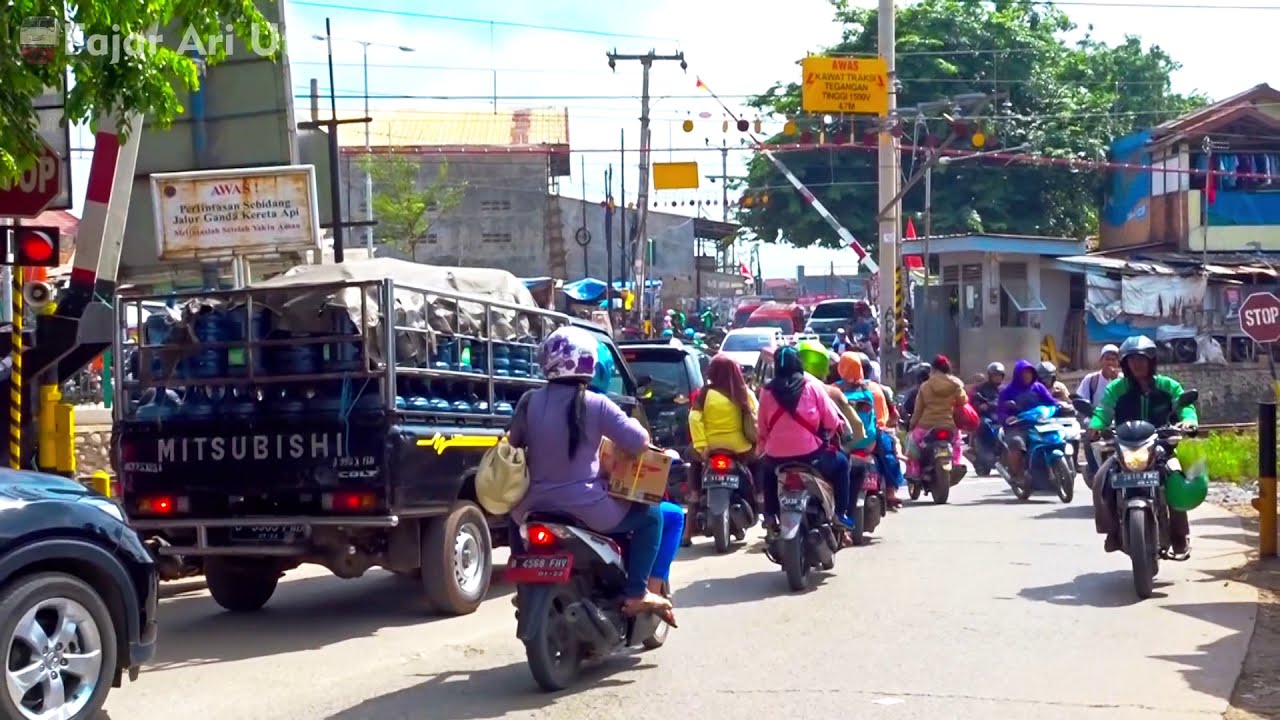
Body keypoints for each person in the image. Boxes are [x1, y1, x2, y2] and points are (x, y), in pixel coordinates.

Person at [508, 326, 674, 622]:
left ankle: (524, 586)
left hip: (531, 507)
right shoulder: (596, 403)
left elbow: (513, 443)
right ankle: (636, 592)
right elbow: (638, 441)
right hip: (587, 508)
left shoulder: (529, 401)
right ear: (588, 362)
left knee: (511, 517)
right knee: (652, 517)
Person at [1087, 335, 1199, 559]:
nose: (1137, 364)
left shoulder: (1168, 385)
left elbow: (1183, 404)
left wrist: (1188, 421)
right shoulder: (1117, 388)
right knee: (1101, 479)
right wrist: (1096, 426)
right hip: (1125, 448)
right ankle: (1113, 532)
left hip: (1161, 447)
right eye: (1132, 359)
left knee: (1176, 478)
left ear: (1152, 361)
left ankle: (1179, 535)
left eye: (1142, 358)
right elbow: (1104, 410)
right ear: (1125, 363)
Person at [757, 345, 857, 532]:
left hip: (776, 456)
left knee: (768, 473)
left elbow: (762, 428)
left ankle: (770, 516)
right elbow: (831, 421)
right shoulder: (811, 387)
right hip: (811, 456)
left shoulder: (766, 392)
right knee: (843, 463)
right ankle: (840, 514)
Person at [688, 354, 760, 503]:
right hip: (740, 448)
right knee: (759, 460)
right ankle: (759, 494)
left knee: (690, 455)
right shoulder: (745, 393)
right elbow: (757, 419)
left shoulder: (705, 393)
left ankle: (695, 493)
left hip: (711, 447)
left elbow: (694, 418)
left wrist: (702, 445)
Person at [838, 352, 905, 507]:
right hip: (874, 435)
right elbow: (893, 416)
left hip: (845, 438)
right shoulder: (878, 389)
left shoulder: (835, 388)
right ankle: (891, 490)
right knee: (889, 456)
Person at [996, 359, 1061, 482]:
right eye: (1024, 373)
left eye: (1029, 373)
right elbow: (1000, 411)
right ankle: (1018, 475)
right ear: (1017, 375)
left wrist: (1060, 405)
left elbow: (1051, 401)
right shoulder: (1007, 391)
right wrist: (1007, 418)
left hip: (1040, 423)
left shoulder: (1038, 387)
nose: (1027, 376)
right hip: (1017, 426)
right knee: (1017, 444)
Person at [906, 354, 967, 483]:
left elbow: (918, 410)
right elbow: (963, 401)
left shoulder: (925, 386)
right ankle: (956, 463)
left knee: (913, 442)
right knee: (957, 442)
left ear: (933, 369)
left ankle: (915, 471)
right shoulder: (956, 384)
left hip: (926, 425)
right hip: (949, 424)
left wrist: (912, 424)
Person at [1077, 344, 1121, 480]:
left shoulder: (1124, 380)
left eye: (1114, 359)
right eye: (1107, 359)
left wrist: (1116, 381)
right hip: (1096, 418)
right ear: (1101, 361)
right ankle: (1095, 473)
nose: (1110, 363)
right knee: (1089, 438)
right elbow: (1081, 399)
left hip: (1120, 419)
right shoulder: (1091, 380)